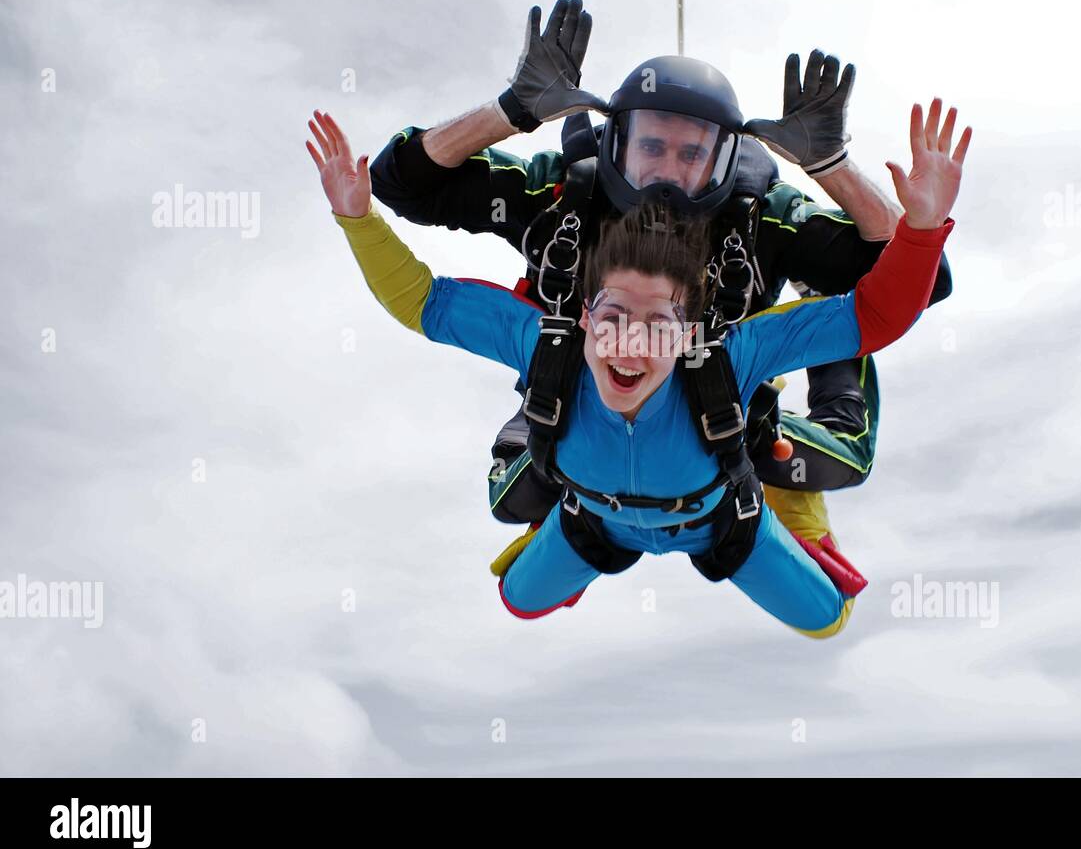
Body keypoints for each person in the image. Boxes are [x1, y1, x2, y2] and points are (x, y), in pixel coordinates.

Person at [305, 97, 971, 637]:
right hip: (595, 522)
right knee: (517, 598)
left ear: (689, 334)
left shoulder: (733, 353)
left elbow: (880, 316)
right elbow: (423, 301)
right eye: (615, 318)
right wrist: (356, 216)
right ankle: (558, 504)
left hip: (725, 522)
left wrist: (921, 227)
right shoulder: (548, 337)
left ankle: (796, 462)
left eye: (659, 327)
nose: (630, 345)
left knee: (828, 618)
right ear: (586, 315)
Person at [366, 0, 954, 560]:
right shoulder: (563, 197)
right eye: (652, 146)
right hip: (581, 405)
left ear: (726, 163)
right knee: (515, 497)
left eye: (692, 156)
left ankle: (820, 334)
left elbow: (924, 280)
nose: (669, 175)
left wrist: (834, 168)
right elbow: (398, 183)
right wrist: (509, 112)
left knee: (839, 460)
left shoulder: (761, 217)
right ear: (615, 144)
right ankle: (592, 514)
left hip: (727, 413)